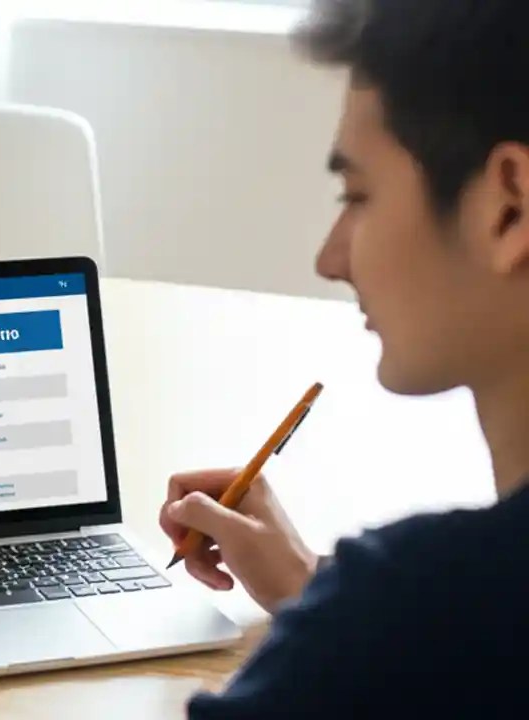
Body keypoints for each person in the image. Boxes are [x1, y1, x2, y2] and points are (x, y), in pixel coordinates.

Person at [164, 1, 529, 716]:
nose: (331, 258)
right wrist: (314, 595)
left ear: (510, 206)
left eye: (358, 194)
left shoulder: (410, 616)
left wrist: (346, 631)